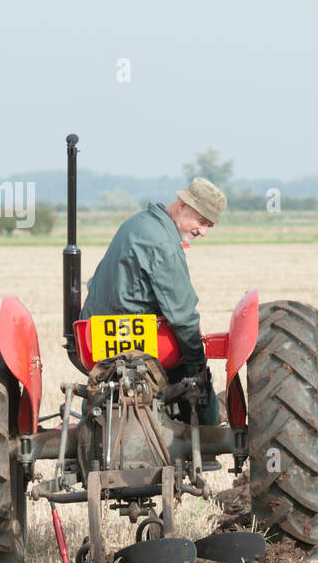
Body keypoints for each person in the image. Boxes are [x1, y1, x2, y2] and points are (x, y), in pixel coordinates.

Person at [81, 177, 226, 423]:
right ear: (182, 205)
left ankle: (95, 411)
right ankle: (207, 425)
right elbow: (182, 315)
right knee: (191, 362)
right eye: (201, 221)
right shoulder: (164, 244)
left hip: (93, 341)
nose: (203, 231)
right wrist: (198, 365)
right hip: (136, 345)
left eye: (208, 226)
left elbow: (95, 282)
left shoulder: (136, 223)